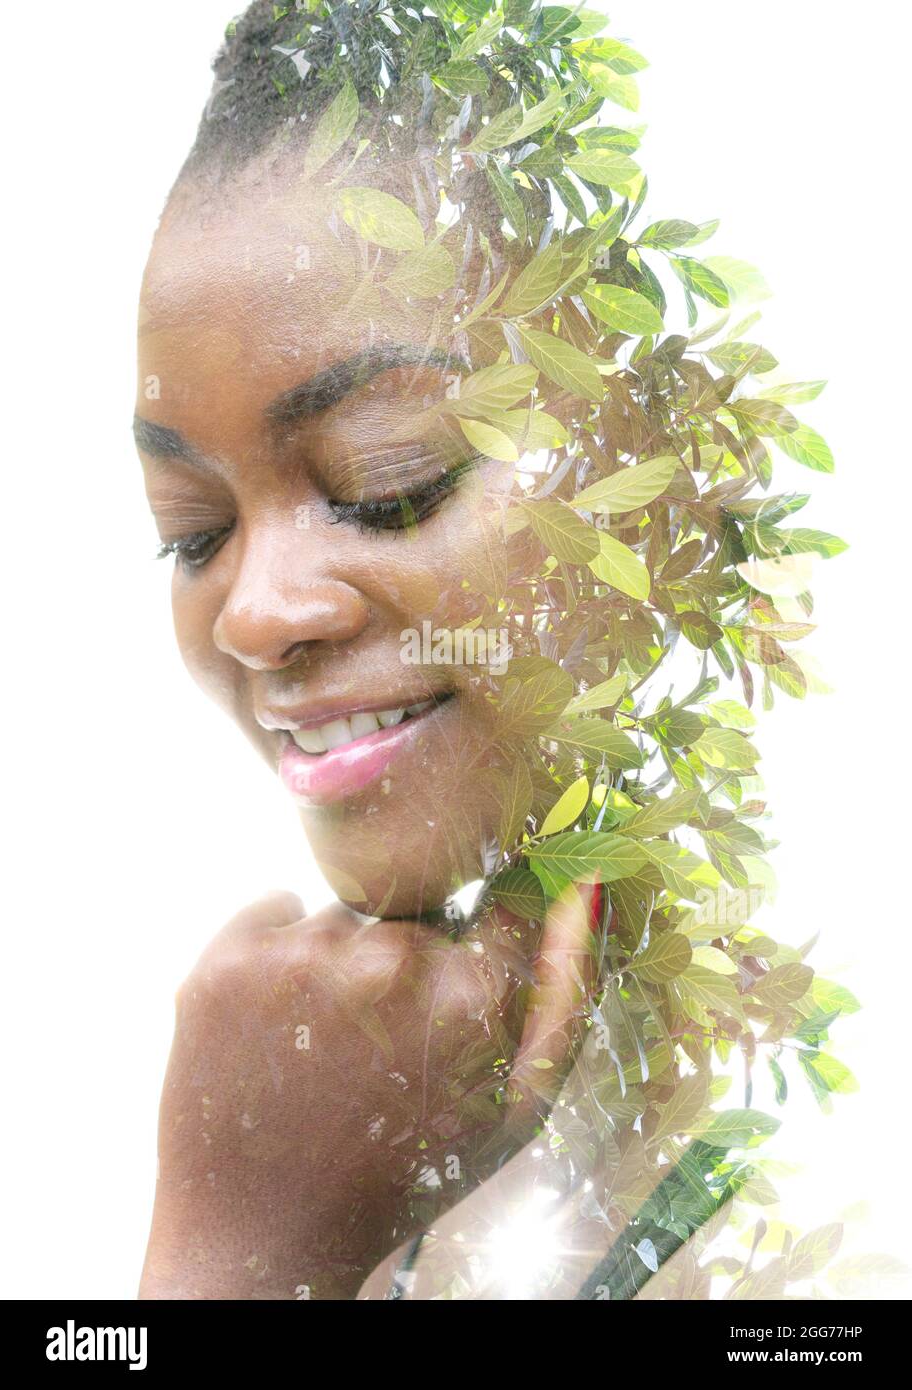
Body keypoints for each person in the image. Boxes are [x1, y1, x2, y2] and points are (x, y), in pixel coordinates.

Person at [135, 0, 813, 1301]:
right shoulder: (336, 1128)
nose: (254, 613)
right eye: (193, 530)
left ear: (669, 482)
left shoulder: (819, 1181)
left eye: (390, 480)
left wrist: (231, 1263)